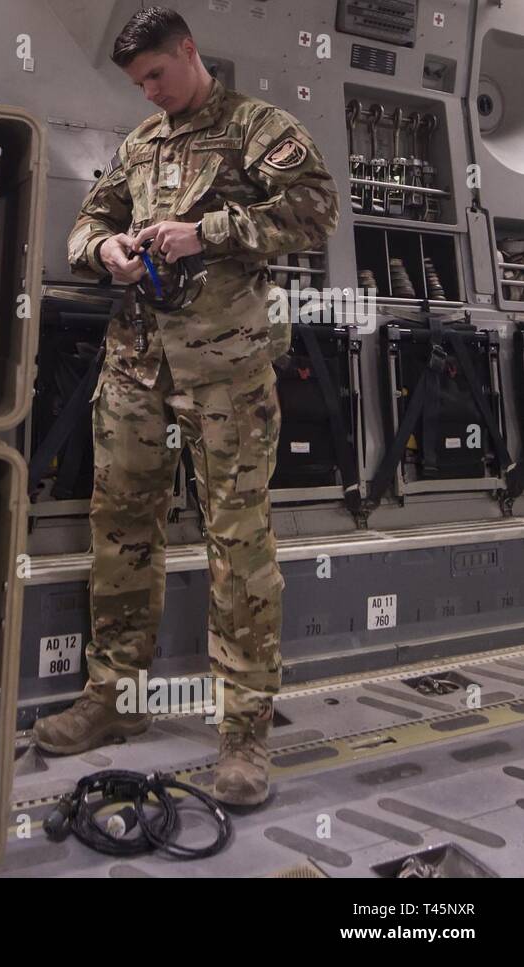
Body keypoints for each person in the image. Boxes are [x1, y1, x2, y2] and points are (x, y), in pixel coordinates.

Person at [34, 6, 339, 807]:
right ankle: (113, 699)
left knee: (238, 542)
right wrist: (107, 250)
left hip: (226, 371)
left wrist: (208, 233)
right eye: (138, 84)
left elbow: (315, 208)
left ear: (188, 53)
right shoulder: (140, 144)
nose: (150, 93)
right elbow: (88, 222)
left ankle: (243, 732)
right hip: (135, 367)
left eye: (157, 77)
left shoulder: (255, 126)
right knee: (122, 530)